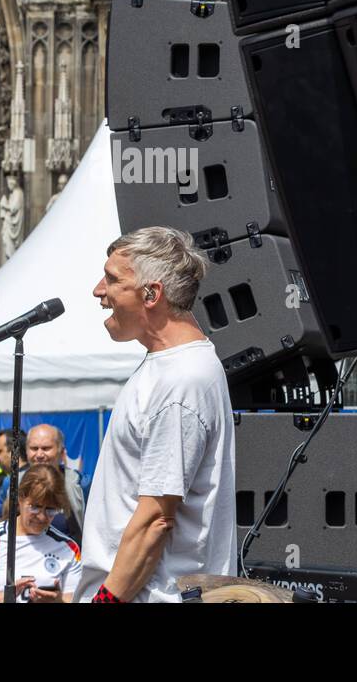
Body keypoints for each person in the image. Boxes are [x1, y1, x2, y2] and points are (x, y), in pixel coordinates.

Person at [76, 226, 237, 603]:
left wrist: (106, 600)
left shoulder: (182, 380)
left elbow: (155, 521)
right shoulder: (171, 368)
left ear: (152, 293)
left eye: (113, 279)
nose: (99, 291)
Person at [0, 464, 82, 603]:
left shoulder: (69, 549)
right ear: (20, 498)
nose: (41, 516)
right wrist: (2, 598)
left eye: (51, 510)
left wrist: (57, 601)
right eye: (35, 507)